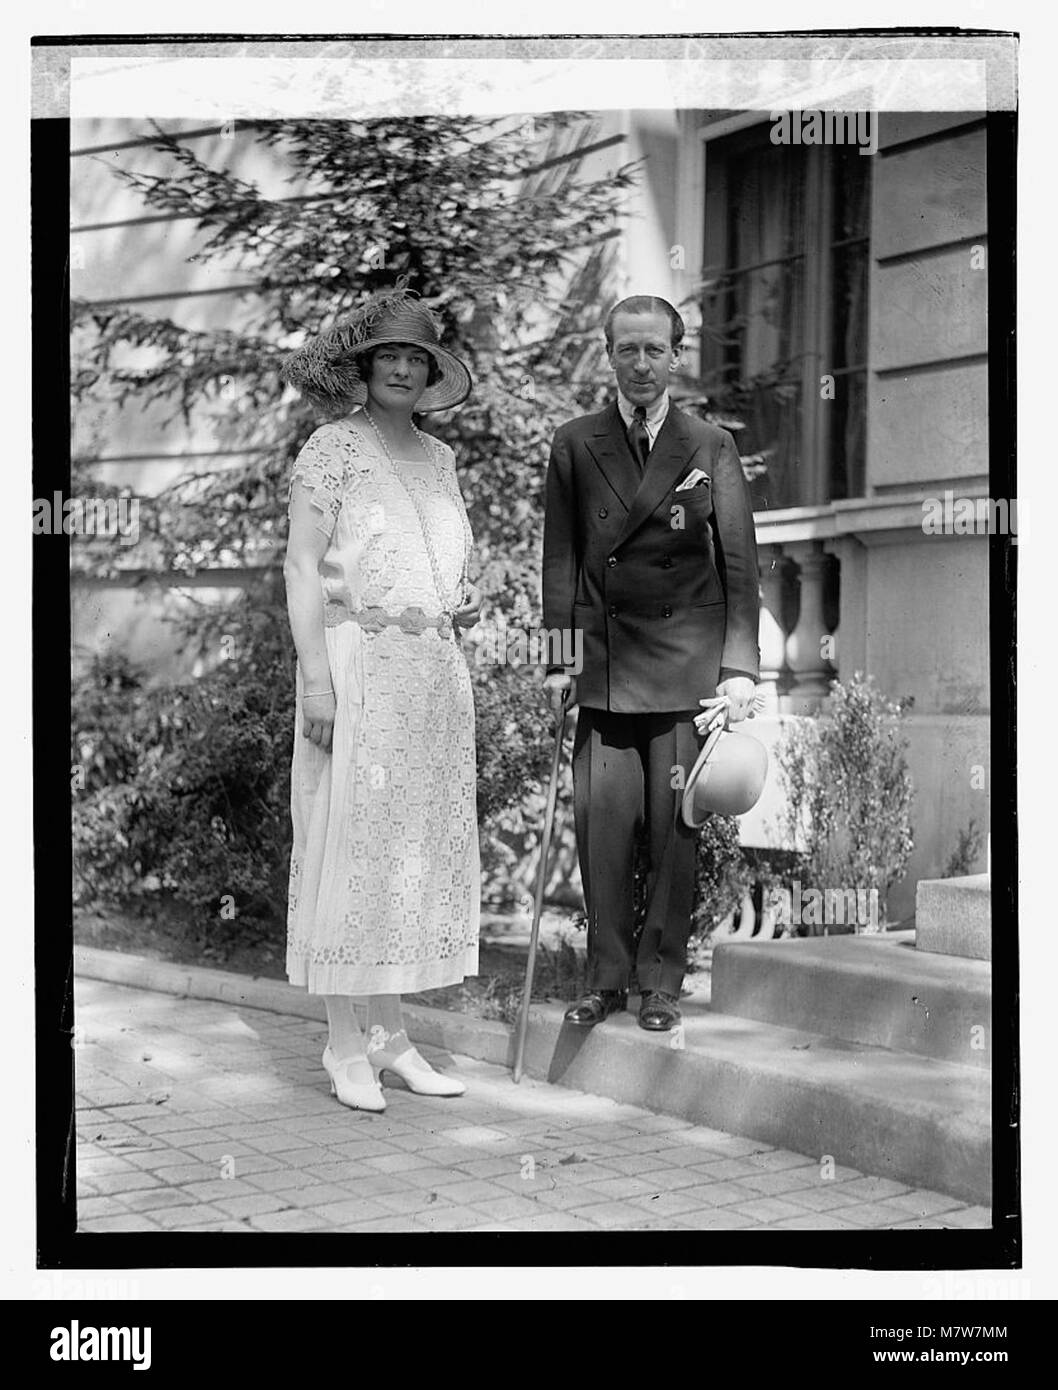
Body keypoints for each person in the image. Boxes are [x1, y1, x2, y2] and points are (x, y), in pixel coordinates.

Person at [279, 283, 481, 1111]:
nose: (401, 367)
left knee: (406, 860)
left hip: (431, 673)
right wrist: (317, 681)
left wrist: (462, 599)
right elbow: (300, 569)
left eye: (416, 356)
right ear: (364, 368)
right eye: (388, 355)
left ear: (432, 371)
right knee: (345, 843)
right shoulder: (331, 449)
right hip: (353, 664)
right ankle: (340, 1043)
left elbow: (439, 558)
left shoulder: (441, 460)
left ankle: (392, 1038)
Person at [541, 294, 760, 1032]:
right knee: (602, 829)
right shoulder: (575, 444)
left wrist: (739, 668)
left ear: (676, 355)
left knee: (673, 829)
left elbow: (737, 563)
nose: (640, 364)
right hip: (603, 667)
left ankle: (660, 983)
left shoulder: (709, 444)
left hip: (686, 672)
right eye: (626, 349)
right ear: (609, 355)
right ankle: (604, 979)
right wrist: (556, 664)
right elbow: (562, 564)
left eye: (654, 350)